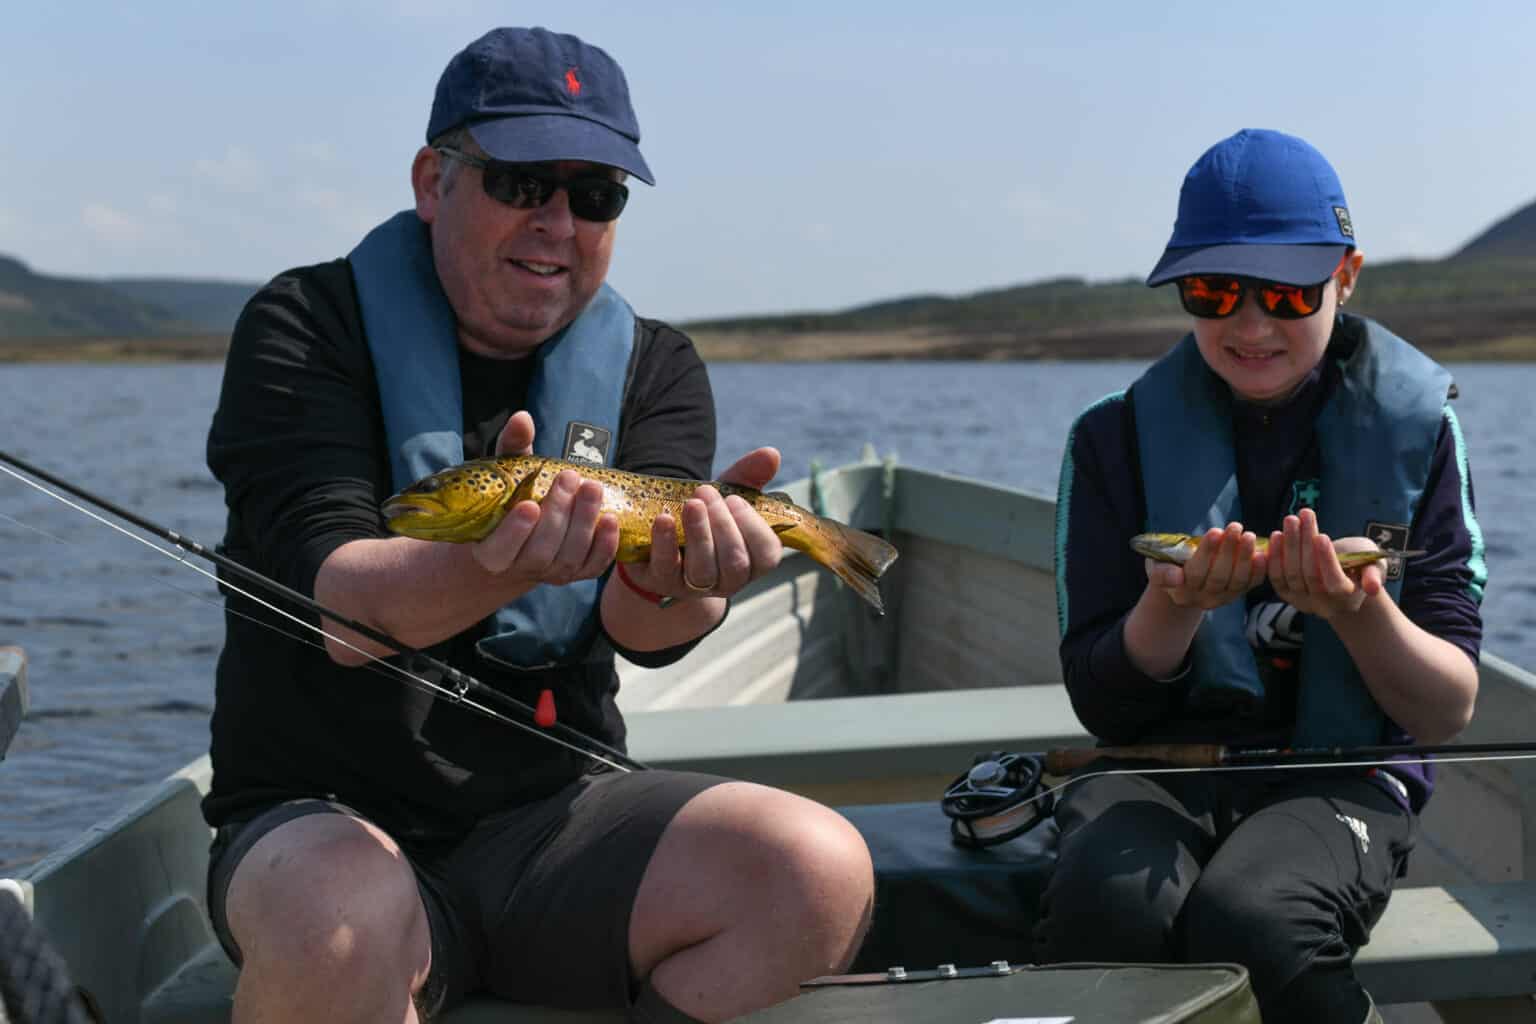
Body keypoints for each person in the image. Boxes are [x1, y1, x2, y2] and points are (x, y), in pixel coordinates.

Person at [202, 26, 873, 1024]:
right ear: (434, 181)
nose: (559, 221)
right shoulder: (306, 329)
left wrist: (685, 581)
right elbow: (343, 612)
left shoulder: (655, 367)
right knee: (338, 918)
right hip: (321, 824)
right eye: (523, 182)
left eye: (596, 194)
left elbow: (642, 632)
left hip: (555, 819)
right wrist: (495, 565)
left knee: (812, 869)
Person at [1038, 129, 1485, 1023]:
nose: (1250, 324)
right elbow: (1103, 704)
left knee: (1253, 915)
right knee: (1110, 903)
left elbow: (1447, 708)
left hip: (1344, 777)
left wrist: (1360, 616)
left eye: (1286, 292)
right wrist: (1169, 611)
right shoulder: (1109, 441)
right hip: (1156, 765)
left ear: (1346, 275)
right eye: (1212, 291)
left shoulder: (1419, 432)